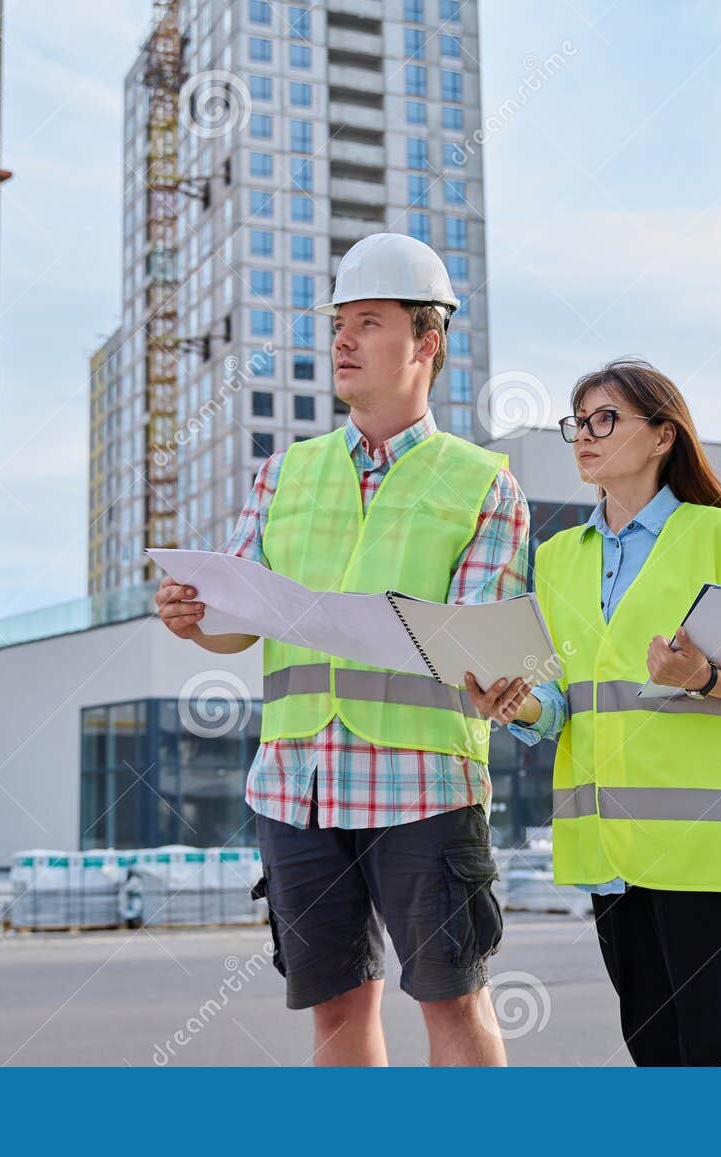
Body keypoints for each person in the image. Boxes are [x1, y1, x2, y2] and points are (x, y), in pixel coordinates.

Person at [154, 233, 534, 1066]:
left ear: (426, 342)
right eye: (338, 324)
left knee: (455, 1005)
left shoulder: (483, 483)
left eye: (368, 322)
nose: (343, 341)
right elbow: (237, 620)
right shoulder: (284, 473)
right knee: (335, 1014)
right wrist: (195, 617)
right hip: (296, 783)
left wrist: (500, 678)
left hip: (424, 784)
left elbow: (480, 642)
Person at [465, 358, 721, 1067]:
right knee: (652, 1051)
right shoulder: (559, 558)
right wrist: (516, 704)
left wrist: (706, 677)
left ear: (662, 435)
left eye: (606, 418)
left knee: (718, 1056)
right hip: (610, 848)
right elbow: (560, 703)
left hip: (704, 845)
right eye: (578, 422)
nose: (586, 435)